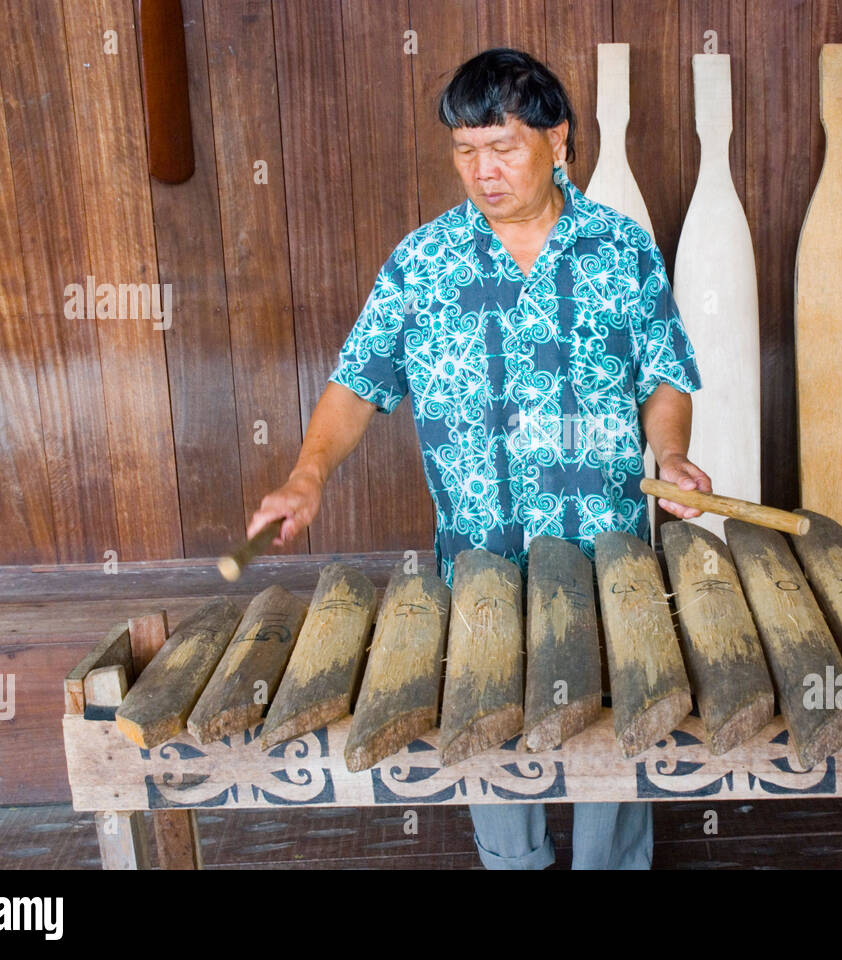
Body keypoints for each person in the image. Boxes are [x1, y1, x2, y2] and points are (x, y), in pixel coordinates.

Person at [247, 47, 712, 870]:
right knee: (493, 748)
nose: (482, 171)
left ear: (558, 140)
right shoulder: (423, 261)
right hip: (481, 563)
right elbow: (357, 384)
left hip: (609, 561)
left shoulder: (621, 248)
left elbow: (666, 376)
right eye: (465, 152)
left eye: (502, 148)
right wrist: (306, 473)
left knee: (614, 748)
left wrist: (670, 454)